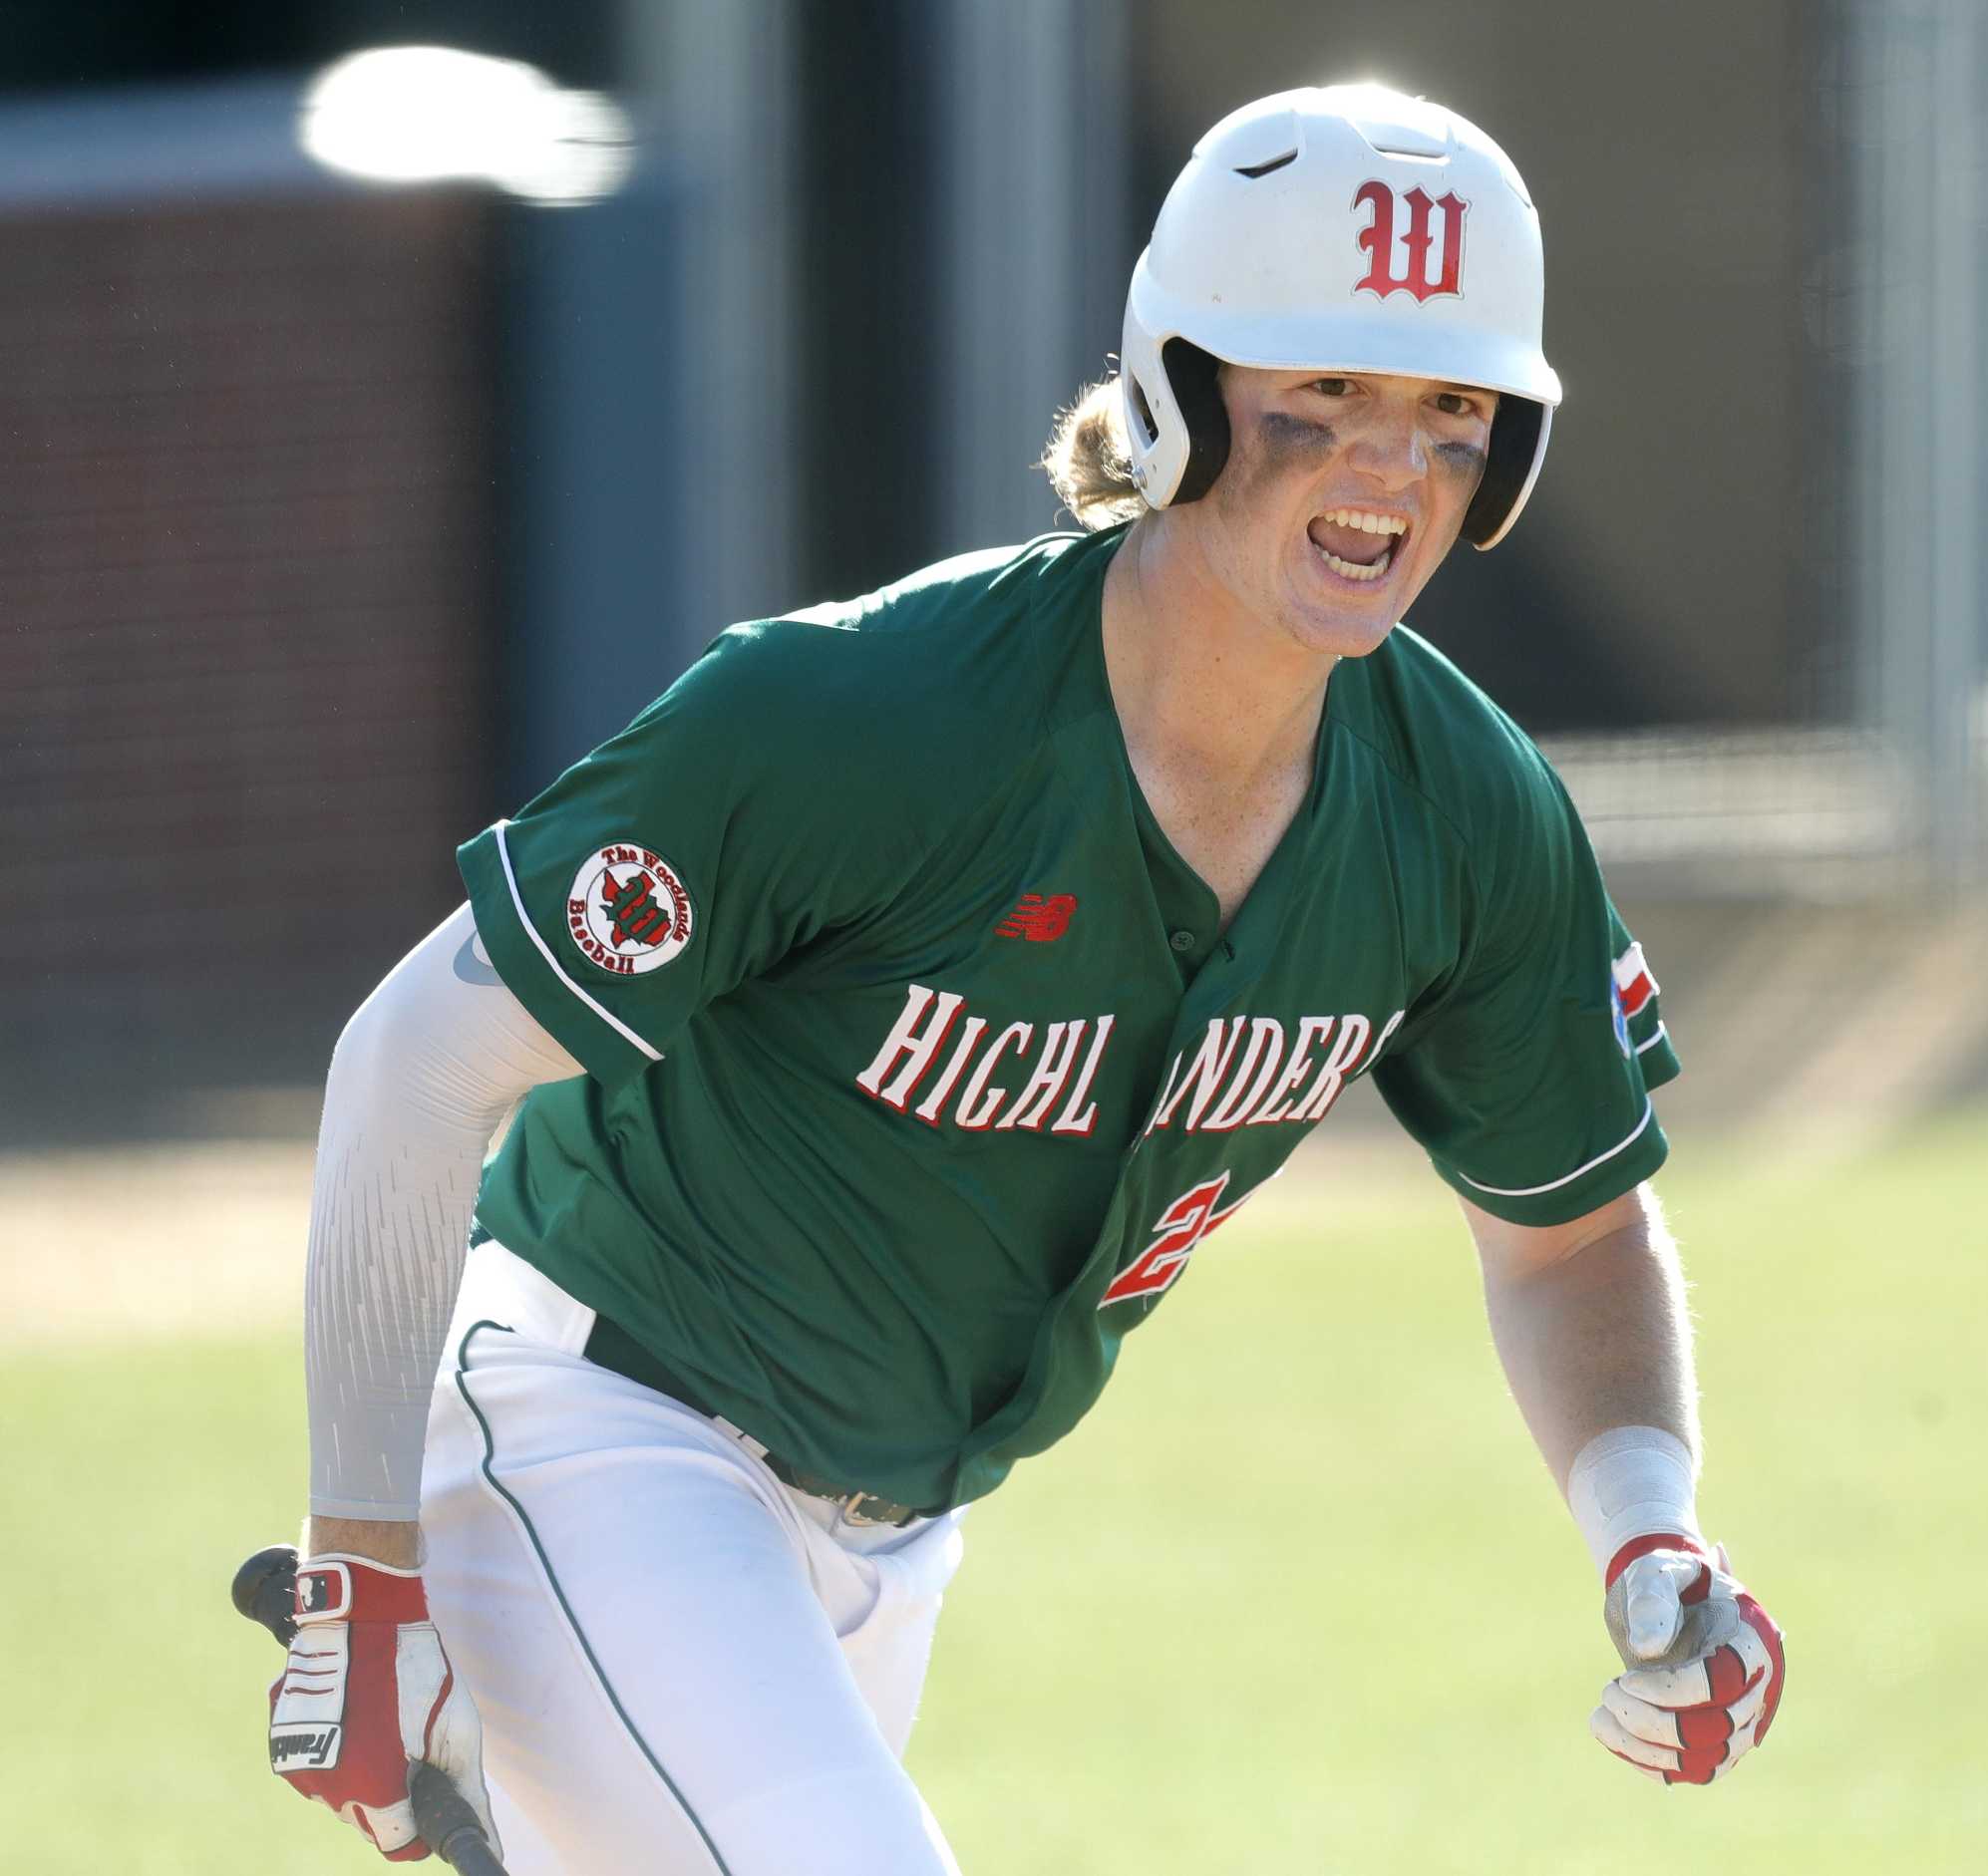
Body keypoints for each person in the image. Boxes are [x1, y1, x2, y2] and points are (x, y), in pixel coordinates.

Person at [265, 84, 1784, 1873]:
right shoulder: (861, 717)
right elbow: (412, 1060)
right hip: (597, 1429)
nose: (1391, 465)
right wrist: (362, 1565)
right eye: (1326, 396)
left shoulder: (1467, 812)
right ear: (1182, 396)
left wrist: (1648, 1527)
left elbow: (1575, 1228)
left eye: (1450, 409)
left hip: (889, 1539)